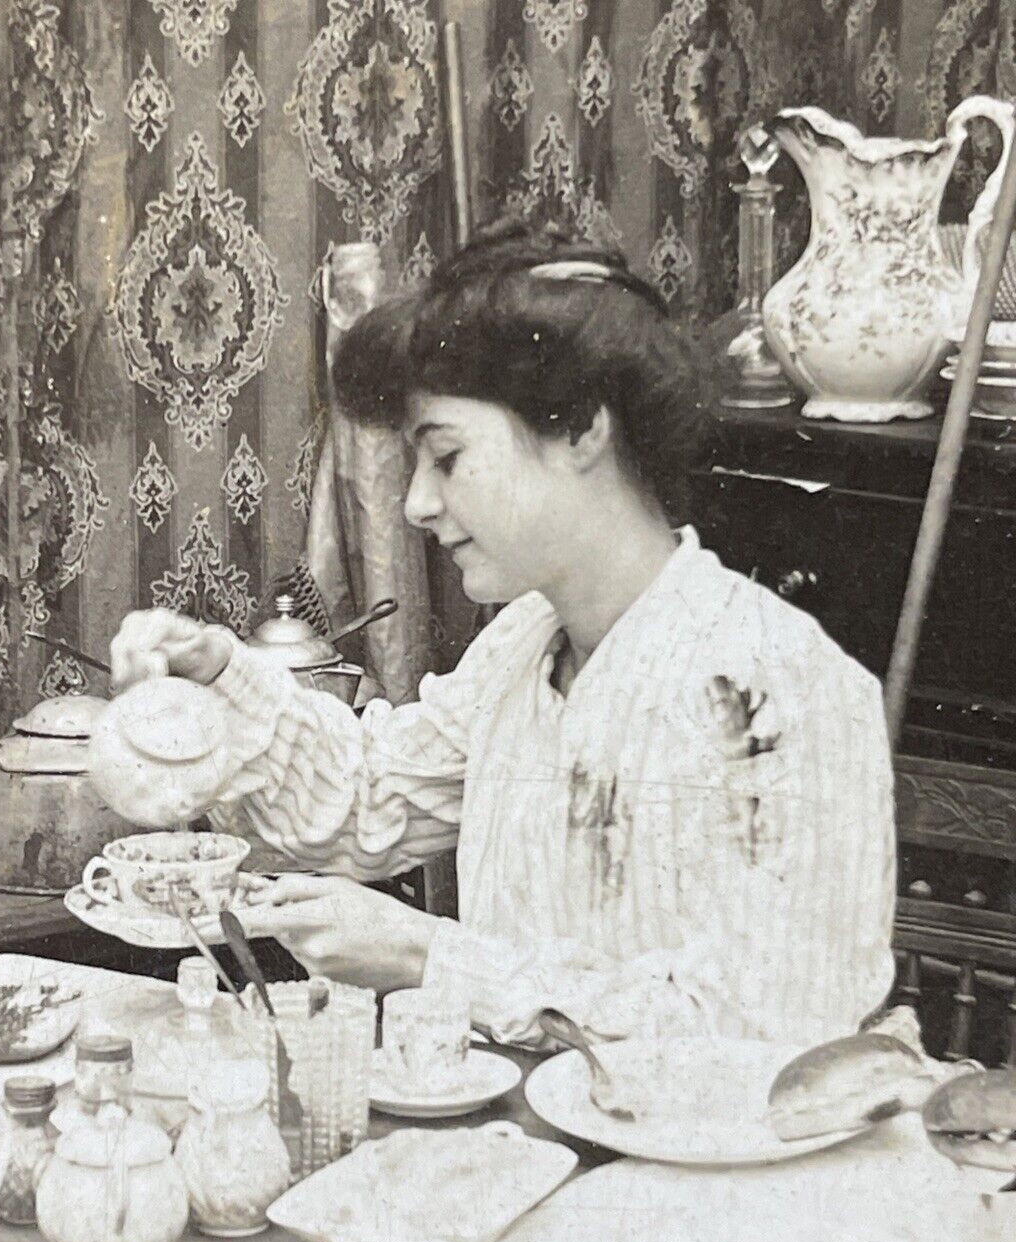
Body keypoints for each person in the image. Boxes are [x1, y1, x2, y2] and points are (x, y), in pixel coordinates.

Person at [110, 219, 896, 1049]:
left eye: (445, 457)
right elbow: (366, 803)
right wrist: (216, 679)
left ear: (582, 429)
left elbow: (762, 1037)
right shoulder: (525, 644)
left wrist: (431, 957)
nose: (416, 503)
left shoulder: (775, 690)